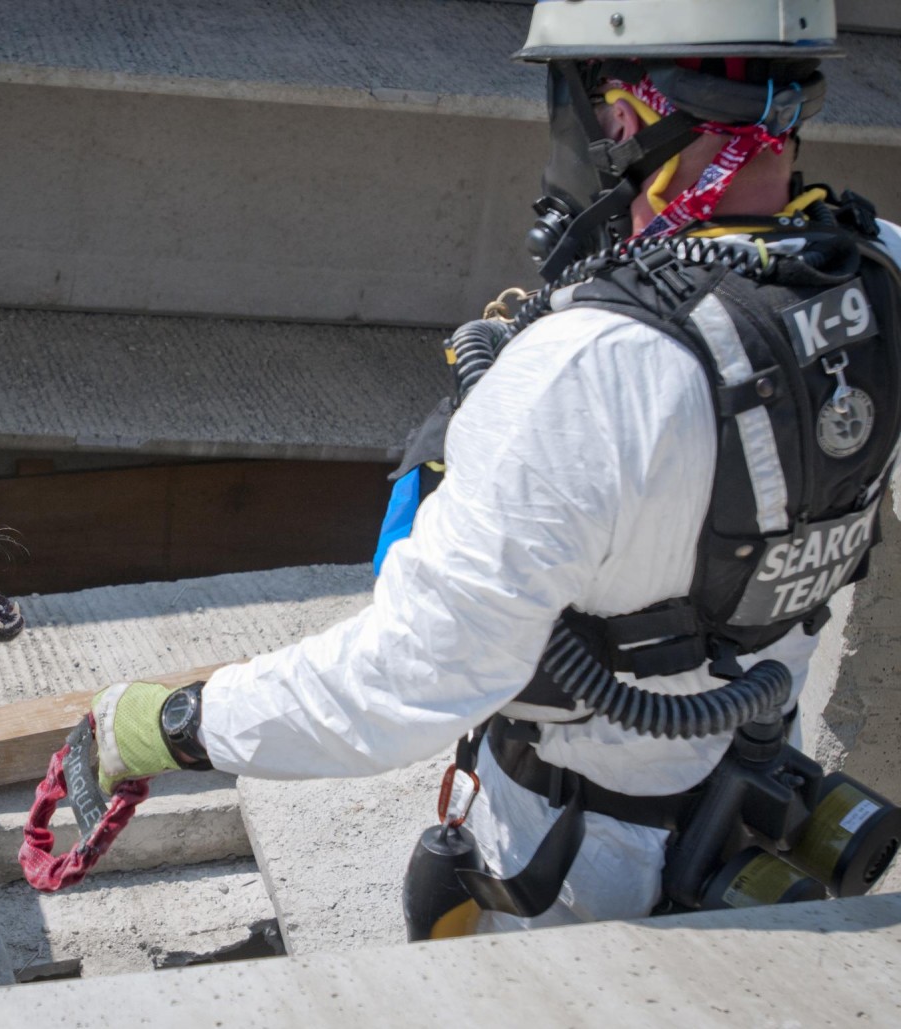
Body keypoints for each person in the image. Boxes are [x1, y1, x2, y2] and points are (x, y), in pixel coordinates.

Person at [85, 0, 901, 934]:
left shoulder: (590, 373)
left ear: (628, 117)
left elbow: (402, 684)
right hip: (753, 778)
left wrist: (175, 723)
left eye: (572, 105)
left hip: (582, 870)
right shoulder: (878, 270)